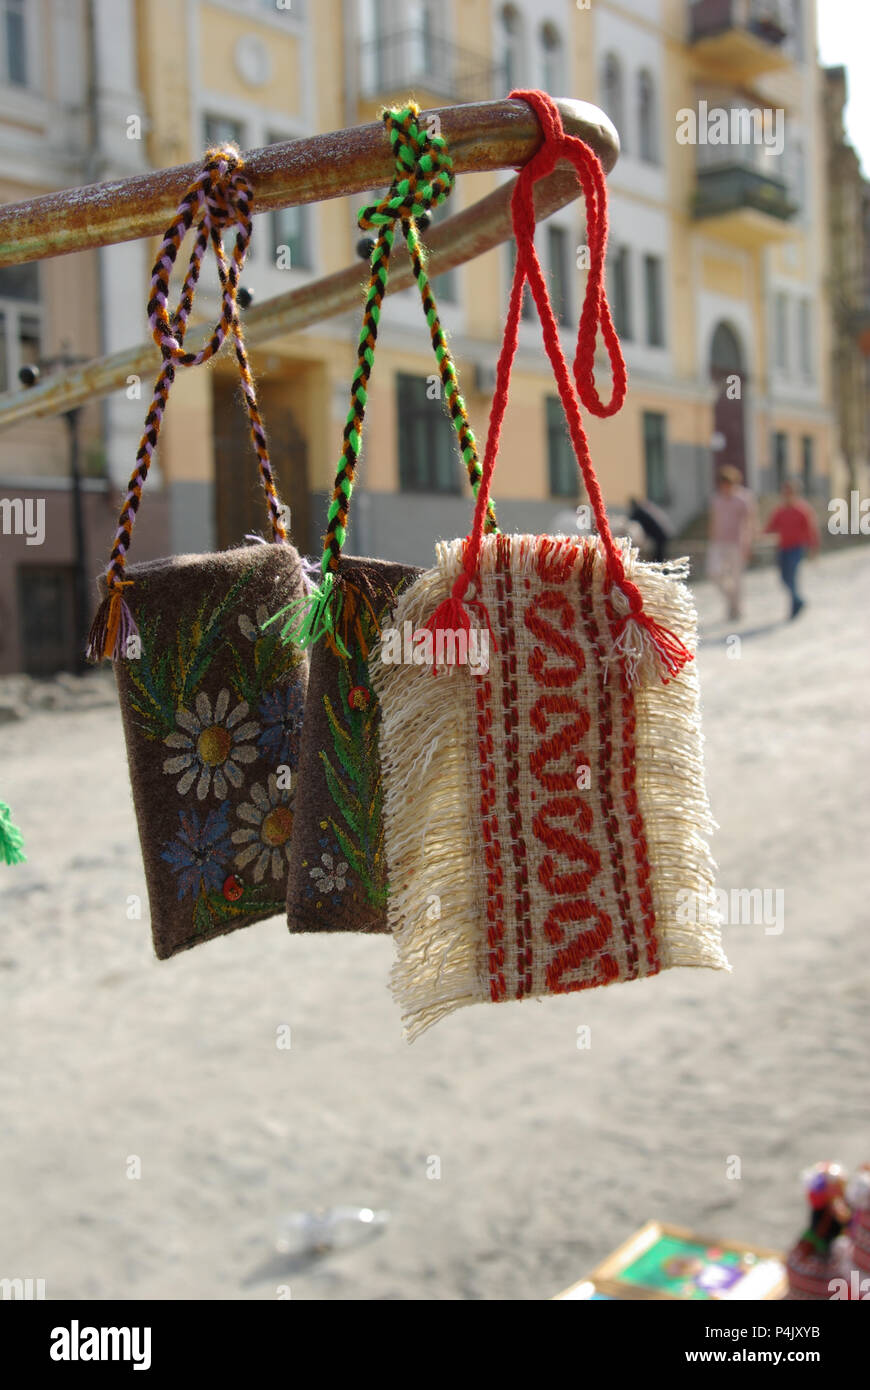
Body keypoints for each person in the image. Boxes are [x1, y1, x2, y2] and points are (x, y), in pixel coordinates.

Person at [763, 477, 820, 619]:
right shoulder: (780, 511)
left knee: (792, 577)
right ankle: (798, 600)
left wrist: (813, 548)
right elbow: (770, 527)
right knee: (783, 578)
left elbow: (811, 530)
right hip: (783, 548)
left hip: (796, 548)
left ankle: (794, 607)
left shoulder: (802, 510)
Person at [707, 465, 755, 621]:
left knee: (737, 578)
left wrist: (748, 544)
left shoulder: (744, 499)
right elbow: (714, 521)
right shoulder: (716, 499)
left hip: (737, 543)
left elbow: (749, 522)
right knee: (714, 573)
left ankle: (736, 608)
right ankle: (731, 600)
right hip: (718, 543)